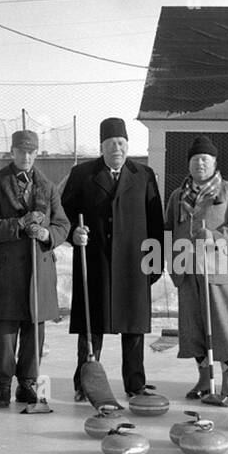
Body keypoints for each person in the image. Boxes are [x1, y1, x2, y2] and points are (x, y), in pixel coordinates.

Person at [59, 117, 165, 400]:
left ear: (127, 145)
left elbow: (155, 222)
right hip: (96, 262)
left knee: (134, 329)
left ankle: (135, 384)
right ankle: (85, 383)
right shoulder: (82, 174)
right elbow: (63, 214)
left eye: (121, 143)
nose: (116, 148)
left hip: (134, 263)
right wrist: (73, 232)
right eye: (110, 144)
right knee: (91, 327)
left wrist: (155, 262)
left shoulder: (144, 174)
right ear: (102, 147)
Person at [0, 128, 70, 408]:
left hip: (39, 270)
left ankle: (28, 384)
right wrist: (19, 224)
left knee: (34, 331)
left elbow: (63, 225)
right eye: (21, 151)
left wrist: (47, 235)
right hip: (7, 272)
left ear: (37, 153)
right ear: (12, 152)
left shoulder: (49, 188)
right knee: (5, 334)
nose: (26, 156)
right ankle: (4, 385)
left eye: (31, 152)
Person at [164, 135, 228, 402]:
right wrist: (170, 261)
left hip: (218, 269)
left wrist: (214, 236)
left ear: (214, 162)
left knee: (224, 324)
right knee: (193, 326)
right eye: (195, 159)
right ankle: (203, 377)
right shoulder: (178, 195)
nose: (200, 163)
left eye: (205, 159)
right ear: (189, 164)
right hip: (187, 269)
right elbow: (167, 230)